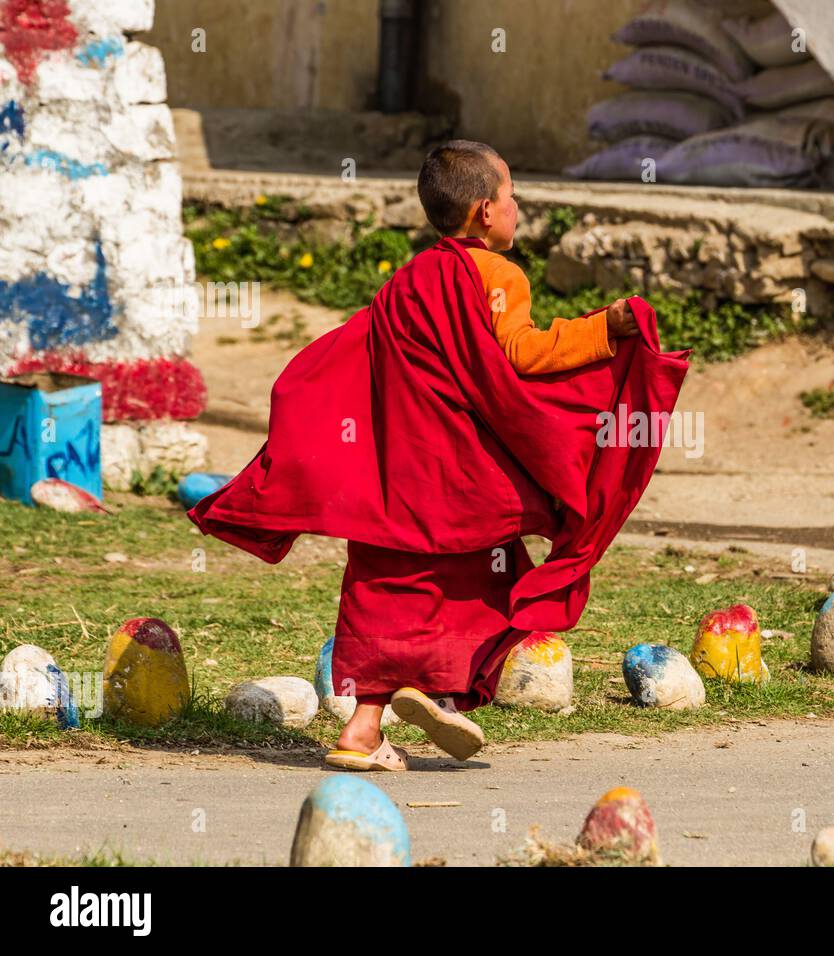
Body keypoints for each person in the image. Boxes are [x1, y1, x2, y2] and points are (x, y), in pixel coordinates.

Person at [188, 140, 690, 770]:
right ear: (485, 211)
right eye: (510, 195)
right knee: (484, 580)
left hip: (394, 476)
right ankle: (441, 691)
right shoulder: (497, 275)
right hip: (461, 477)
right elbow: (521, 357)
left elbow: (364, 357)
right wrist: (605, 331)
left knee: (378, 582)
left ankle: (363, 729)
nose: (517, 205)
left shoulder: (409, 279)